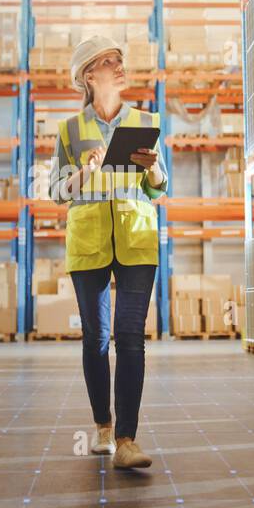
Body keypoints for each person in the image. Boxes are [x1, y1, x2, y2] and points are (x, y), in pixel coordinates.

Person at [49, 36, 167, 470]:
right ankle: (102, 427)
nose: (119, 67)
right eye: (107, 62)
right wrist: (82, 175)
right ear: (87, 76)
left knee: (130, 337)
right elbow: (55, 192)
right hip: (89, 241)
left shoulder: (145, 120)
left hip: (136, 238)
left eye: (120, 60)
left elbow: (159, 185)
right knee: (97, 339)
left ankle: (127, 440)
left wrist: (153, 167)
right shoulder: (69, 130)